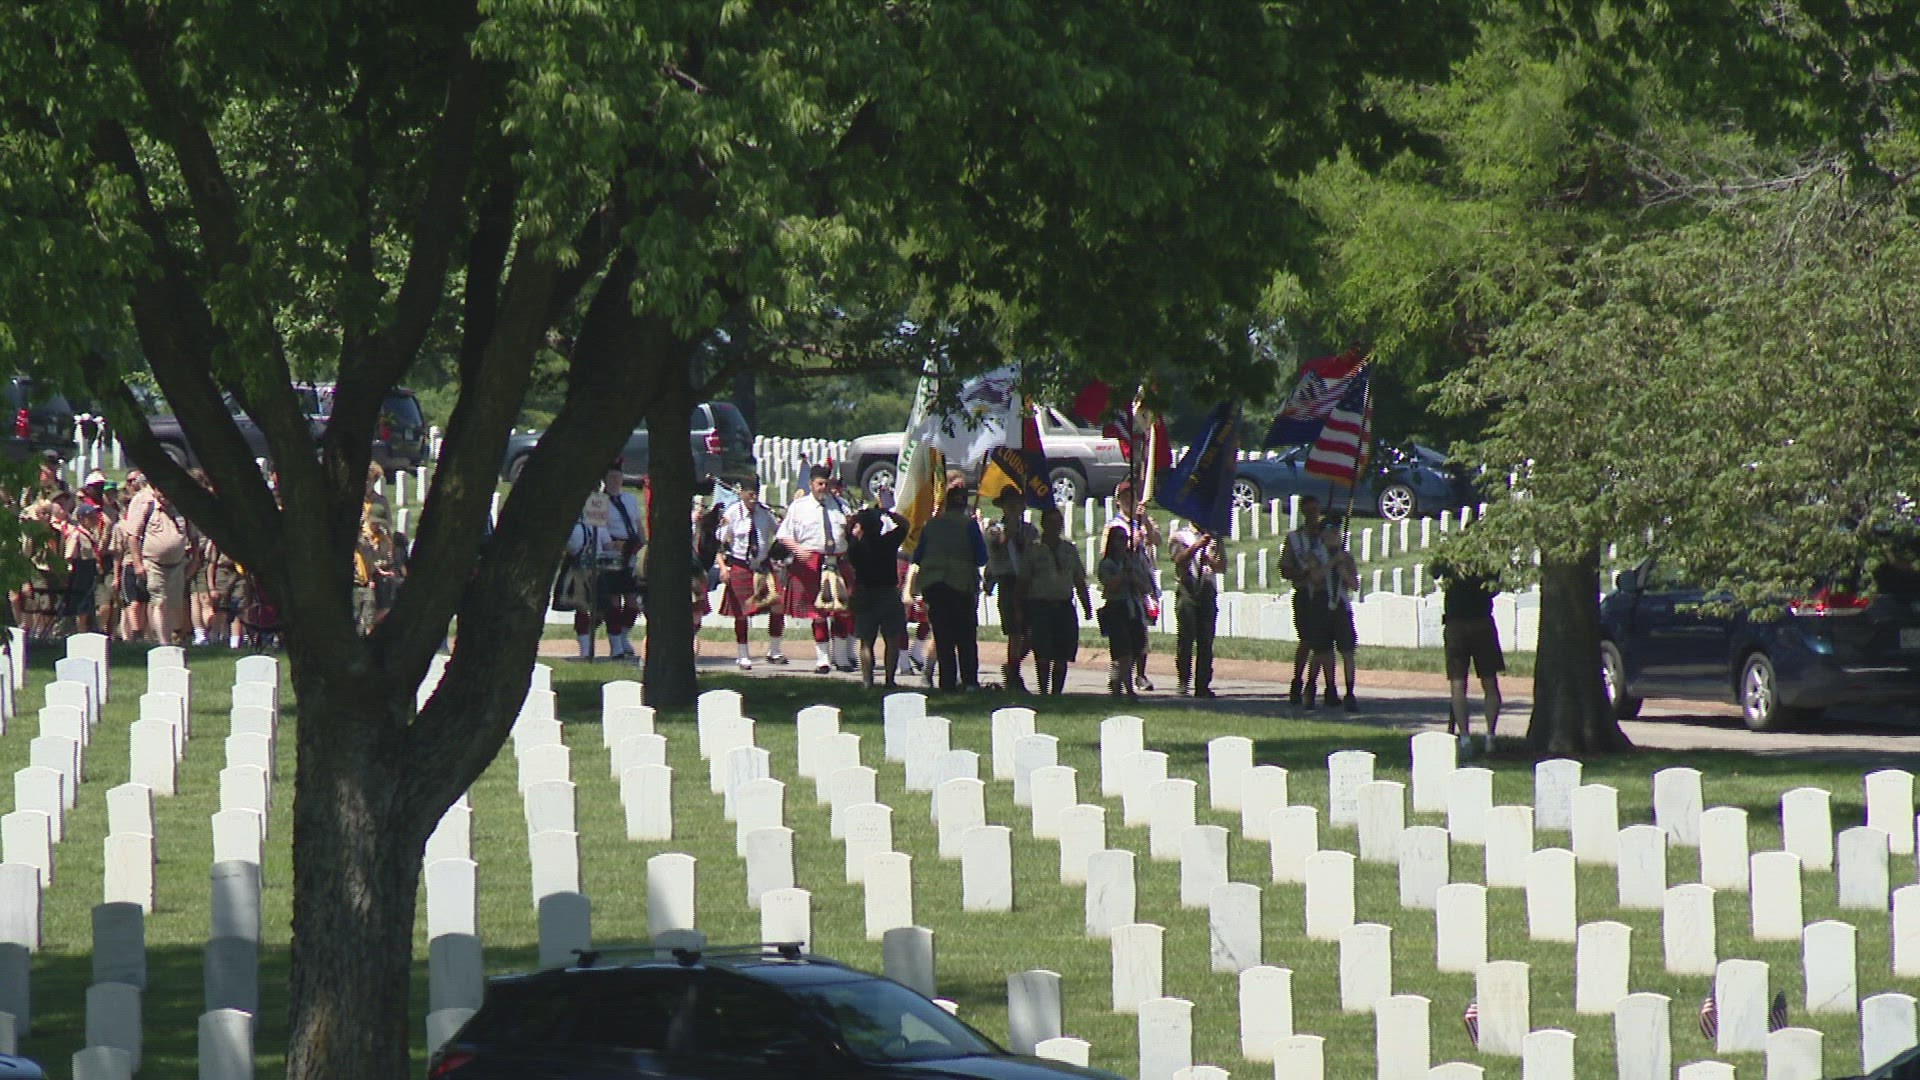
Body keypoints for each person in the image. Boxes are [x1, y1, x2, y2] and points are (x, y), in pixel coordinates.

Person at [774, 465, 854, 674]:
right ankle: (823, 659)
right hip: (810, 562)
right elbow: (783, 535)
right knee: (818, 613)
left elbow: (850, 532)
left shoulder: (840, 505)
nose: (823, 488)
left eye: (826, 484)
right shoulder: (798, 507)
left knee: (842, 611)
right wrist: (797, 549)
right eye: (819, 484)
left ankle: (842, 657)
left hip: (838, 561)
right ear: (810, 484)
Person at [563, 464, 645, 661]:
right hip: (611, 550)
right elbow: (597, 528)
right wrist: (611, 545)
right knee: (613, 601)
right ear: (605, 482)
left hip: (632, 549)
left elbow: (638, 524)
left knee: (634, 601)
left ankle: (624, 637)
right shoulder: (598, 502)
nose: (615, 482)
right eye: (611, 479)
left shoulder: (630, 499)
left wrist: (643, 545)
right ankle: (615, 645)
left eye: (618, 478)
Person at [911, 481, 988, 691]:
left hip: (935, 587)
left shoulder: (931, 525)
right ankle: (969, 681)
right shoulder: (969, 525)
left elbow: (918, 557)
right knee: (965, 638)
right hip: (961, 586)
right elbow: (981, 558)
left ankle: (947, 682)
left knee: (943, 637)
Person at [714, 477, 787, 670]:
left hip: (763, 566)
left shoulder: (765, 513)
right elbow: (720, 538)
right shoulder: (733, 513)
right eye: (749, 494)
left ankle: (774, 650)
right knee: (741, 612)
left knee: (778, 604)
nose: (753, 497)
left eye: (756, 493)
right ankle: (743, 654)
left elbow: (780, 533)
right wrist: (723, 566)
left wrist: (783, 520)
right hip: (741, 565)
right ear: (742, 493)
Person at [1022, 504, 1092, 697]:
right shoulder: (1034, 550)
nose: (1055, 526)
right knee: (1042, 653)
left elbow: (1078, 579)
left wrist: (1086, 605)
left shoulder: (1069, 549)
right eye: (1051, 522)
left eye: (1058, 522)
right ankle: (1043, 690)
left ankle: (1057, 692)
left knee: (1062, 653)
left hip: (1063, 605)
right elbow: (1024, 581)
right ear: (1043, 524)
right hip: (1040, 605)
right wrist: (1021, 610)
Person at [1440, 564, 1504, 756]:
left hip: (1456, 624)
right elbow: (1493, 590)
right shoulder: (1487, 560)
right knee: (1489, 682)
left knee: (1458, 685)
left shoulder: (1450, 558)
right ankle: (1490, 737)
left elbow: (1436, 571)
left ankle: (1465, 738)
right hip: (1481, 622)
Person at [1104, 481, 1162, 690]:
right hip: (1124, 583)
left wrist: (1144, 520)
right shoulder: (1113, 525)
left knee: (1142, 629)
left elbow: (1156, 540)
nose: (1129, 500)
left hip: (1142, 580)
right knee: (1123, 632)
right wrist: (1132, 544)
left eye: (1132, 496)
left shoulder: (1141, 523)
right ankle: (1118, 673)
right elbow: (1107, 552)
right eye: (1125, 497)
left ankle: (1141, 673)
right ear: (1118, 501)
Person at [844, 501, 909, 688]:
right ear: (879, 525)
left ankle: (867, 681)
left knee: (866, 641)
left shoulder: (855, 547)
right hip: (888, 592)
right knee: (892, 639)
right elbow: (905, 525)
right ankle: (889, 679)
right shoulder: (888, 541)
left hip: (864, 592)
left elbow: (848, 533)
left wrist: (855, 519)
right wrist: (887, 512)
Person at [127, 477, 196, 644]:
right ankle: (164, 643)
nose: (165, 495)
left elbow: (193, 538)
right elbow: (133, 537)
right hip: (153, 563)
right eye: (161, 491)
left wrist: (195, 561)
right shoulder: (148, 508)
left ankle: (165, 635)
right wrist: (137, 563)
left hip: (178, 564)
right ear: (155, 491)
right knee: (159, 600)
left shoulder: (182, 510)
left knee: (174, 604)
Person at [984, 485, 1038, 693]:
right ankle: (1014, 674)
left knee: (1031, 633)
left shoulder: (1030, 529)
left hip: (1027, 582)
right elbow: (1000, 543)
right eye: (1011, 504)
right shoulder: (994, 529)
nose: (1015, 507)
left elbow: (1033, 548)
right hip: (1008, 582)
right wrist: (1012, 527)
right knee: (1015, 632)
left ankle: (1012, 665)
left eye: (1018, 503)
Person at [1280, 494, 1329, 707]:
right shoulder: (1294, 539)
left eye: (1316, 511)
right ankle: (1297, 682)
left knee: (1322, 643)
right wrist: (1302, 573)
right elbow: (1284, 568)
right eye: (1309, 511)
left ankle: (1313, 684)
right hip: (1303, 593)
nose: (1313, 515)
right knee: (1306, 640)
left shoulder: (1326, 537)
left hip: (1323, 594)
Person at [1168, 520, 1224, 698]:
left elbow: (1221, 566)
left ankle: (1203, 684)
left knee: (1206, 641)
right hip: (1187, 589)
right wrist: (1197, 546)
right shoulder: (1180, 536)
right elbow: (1178, 559)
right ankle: (1183, 681)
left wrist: (1211, 557)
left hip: (1207, 589)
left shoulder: (1214, 537)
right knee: (1185, 639)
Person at [1096, 524, 1153, 698]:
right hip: (1116, 608)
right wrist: (1123, 574)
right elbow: (1110, 584)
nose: (1123, 543)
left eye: (1126, 539)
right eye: (1119, 539)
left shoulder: (1132, 561)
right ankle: (1124, 688)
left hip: (1133, 607)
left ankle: (1120, 684)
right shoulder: (1107, 564)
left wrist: (1133, 574)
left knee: (1135, 649)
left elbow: (1145, 587)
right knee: (1122, 652)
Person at [1318, 516, 1361, 711]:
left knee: (1347, 651)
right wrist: (1331, 563)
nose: (1334, 535)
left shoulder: (1346, 557)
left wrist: (1344, 571)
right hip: (1323, 606)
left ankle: (1350, 691)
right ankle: (1329, 688)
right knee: (1325, 650)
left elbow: (1354, 585)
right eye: (1330, 532)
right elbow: (1316, 576)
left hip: (1342, 608)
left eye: (1337, 532)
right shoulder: (1317, 555)